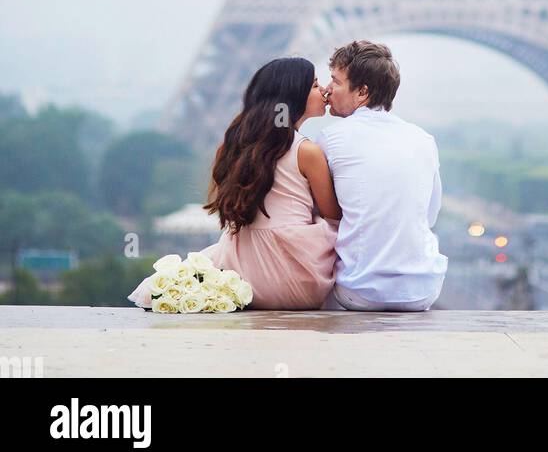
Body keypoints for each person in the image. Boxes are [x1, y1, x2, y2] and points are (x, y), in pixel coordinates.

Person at [127, 57, 340, 310]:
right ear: (294, 95)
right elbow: (333, 216)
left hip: (244, 275)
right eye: (315, 86)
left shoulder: (236, 146)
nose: (325, 90)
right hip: (299, 279)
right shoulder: (308, 151)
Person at [317, 40, 448, 311]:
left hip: (358, 292)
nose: (328, 90)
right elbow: (429, 215)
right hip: (421, 292)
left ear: (362, 92)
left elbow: (321, 214)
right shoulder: (423, 139)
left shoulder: (329, 138)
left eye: (336, 81)